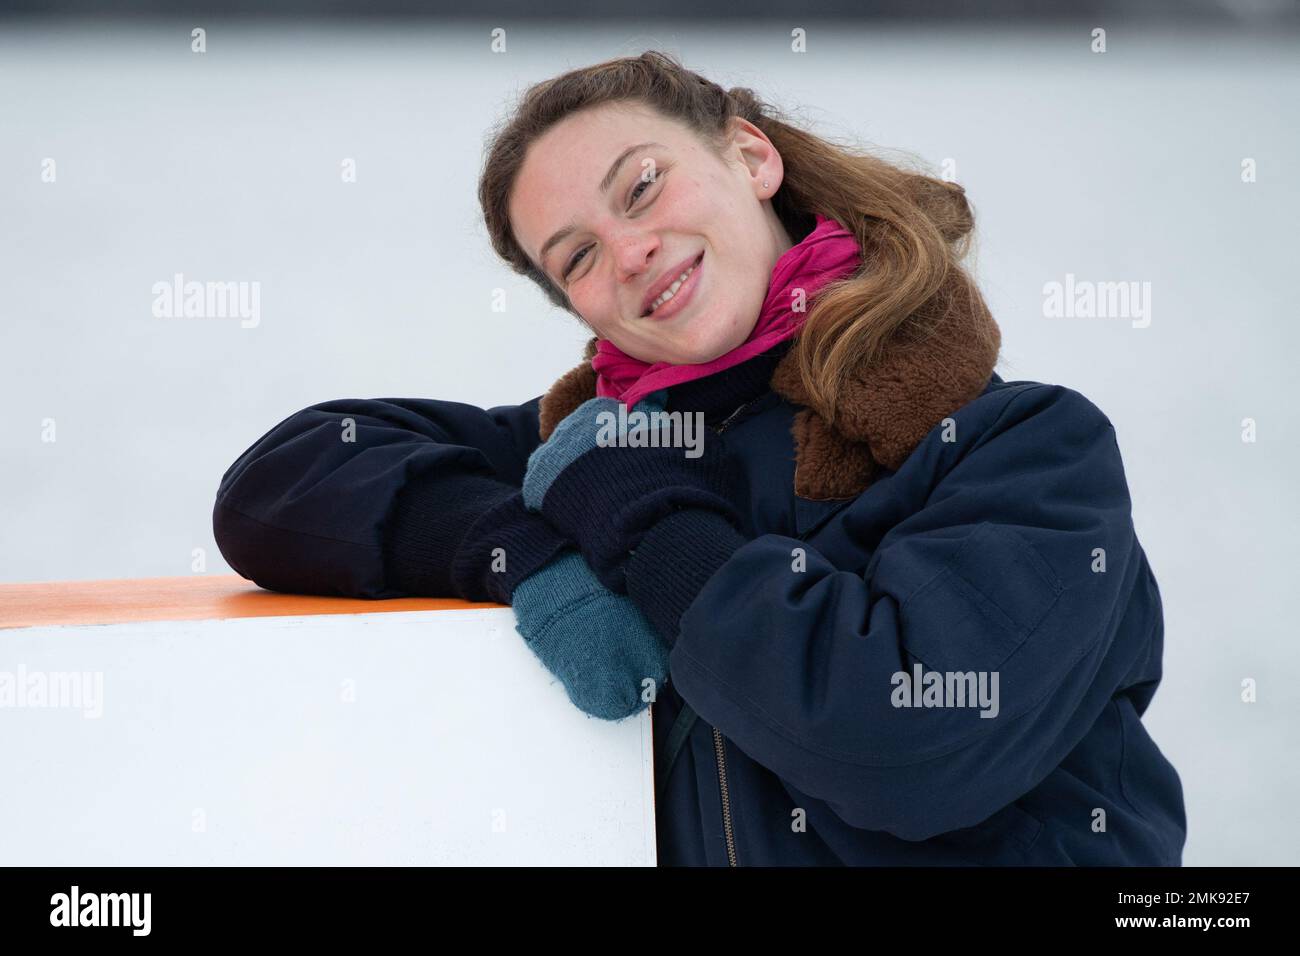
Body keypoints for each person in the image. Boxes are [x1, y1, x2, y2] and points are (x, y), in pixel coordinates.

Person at [213, 51, 1186, 866]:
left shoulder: (1027, 451)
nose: (629, 252)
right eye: (577, 257)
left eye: (641, 186)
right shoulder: (590, 454)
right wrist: (525, 554)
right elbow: (277, 487)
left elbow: (901, 742)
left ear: (750, 156)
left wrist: (646, 528)